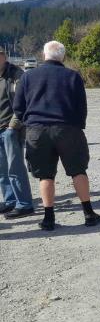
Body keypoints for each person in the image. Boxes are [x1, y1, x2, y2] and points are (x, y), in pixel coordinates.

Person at [12, 41, 100, 231]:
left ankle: (48, 218)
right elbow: (81, 107)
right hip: (67, 129)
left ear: (44, 55)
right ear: (63, 57)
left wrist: (29, 121)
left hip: (37, 130)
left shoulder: (28, 77)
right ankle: (88, 214)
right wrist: (78, 126)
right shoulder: (73, 76)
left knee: (45, 175)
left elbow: (18, 107)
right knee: (78, 171)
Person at [0, 47, 34, 219]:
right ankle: (10, 200)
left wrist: (13, 127)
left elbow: (23, 103)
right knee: (2, 170)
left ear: (4, 57)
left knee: (15, 168)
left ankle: (25, 204)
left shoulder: (17, 74)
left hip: (11, 129)